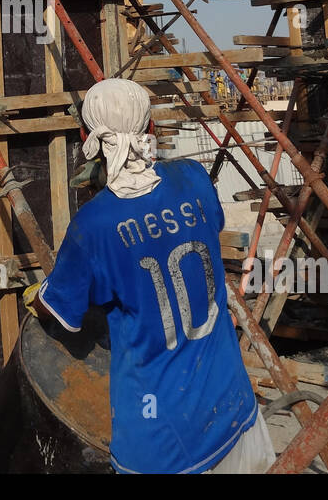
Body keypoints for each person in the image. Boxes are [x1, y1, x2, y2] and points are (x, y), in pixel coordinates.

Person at [30, 78, 275, 474]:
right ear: (150, 130)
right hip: (232, 410)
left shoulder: (92, 226)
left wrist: (38, 296)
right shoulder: (193, 178)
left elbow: (59, 311)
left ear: (86, 137)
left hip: (161, 444)